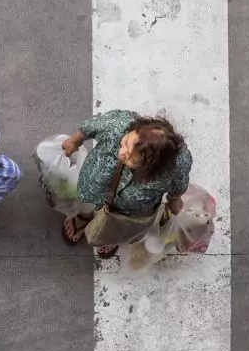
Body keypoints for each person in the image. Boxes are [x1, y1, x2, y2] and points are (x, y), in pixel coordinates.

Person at [60, 109, 192, 258]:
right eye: (125, 142)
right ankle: (84, 216)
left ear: (151, 168)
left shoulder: (177, 164)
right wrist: (74, 142)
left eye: (130, 158)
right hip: (95, 186)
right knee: (87, 203)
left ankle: (110, 234)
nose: (121, 153)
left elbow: (179, 183)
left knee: (117, 224)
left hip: (129, 207)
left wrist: (175, 199)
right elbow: (88, 128)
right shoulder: (118, 124)